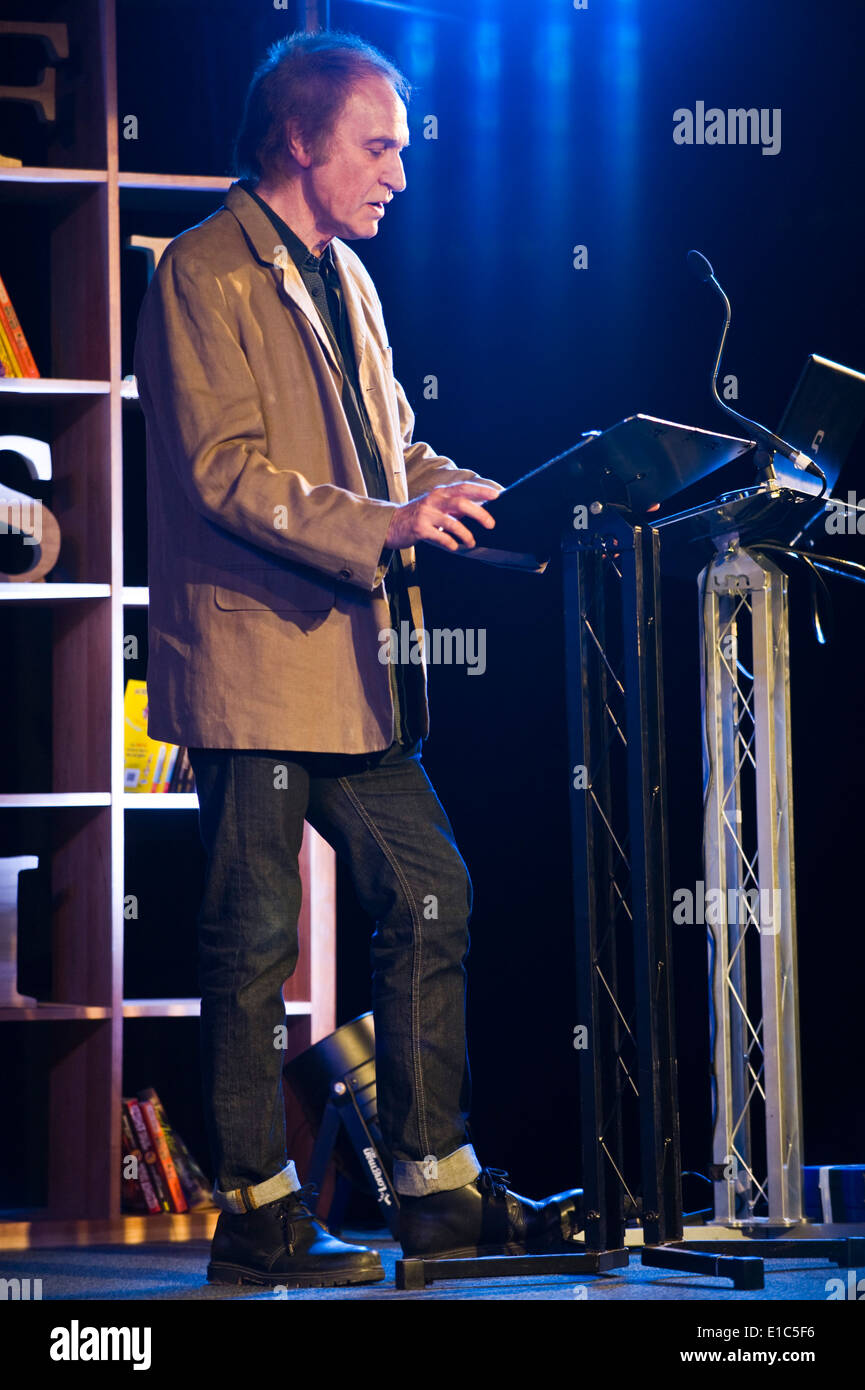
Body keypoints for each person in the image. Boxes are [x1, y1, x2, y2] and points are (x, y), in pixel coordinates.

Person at [134, 29, 582, 1289]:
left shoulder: (347, 278)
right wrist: (386, 521)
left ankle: (433, 1186)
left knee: (434, 892)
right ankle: (258, 1216)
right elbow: (224, 472)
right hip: (253, 671)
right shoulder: (199, 272)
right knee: (251, 942)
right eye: (378, 146)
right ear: (298, 139)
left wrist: (473, 491)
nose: (399, 170)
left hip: (350, 674)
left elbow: (391, 449)